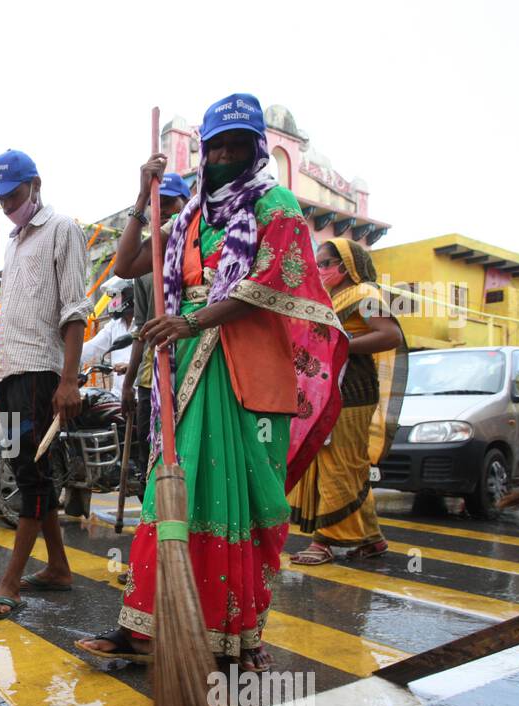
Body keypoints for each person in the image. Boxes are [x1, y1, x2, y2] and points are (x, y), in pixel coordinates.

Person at [75, 94, 347, 671]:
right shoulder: (192, 215)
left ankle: (240, 636)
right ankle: (143, 627)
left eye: (235, 145)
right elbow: (126, 265)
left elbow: (267, 284)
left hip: (245, 369)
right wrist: (137, 199)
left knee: (245, 503)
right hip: (187, 364)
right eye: (215, 145)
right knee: (171, 493)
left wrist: (191, 320)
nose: (223, 155)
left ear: (254, 149)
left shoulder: (277, 206)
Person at [0, 149, 90, 621]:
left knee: (31, 476)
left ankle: (10, 583)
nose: (5, 205)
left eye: (12, 194)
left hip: (43, 373)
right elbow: (9, 318)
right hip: (14, 375)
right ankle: (58, 567)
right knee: (29, 470)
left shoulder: (63, 229)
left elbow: (75, 311)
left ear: (35, 184)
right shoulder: (14, 242)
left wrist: (68, 380)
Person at [288, 238, 406, 564]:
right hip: (327, 392)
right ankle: (371, 540)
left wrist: (340, 346)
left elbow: (391, 334)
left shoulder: (364, 294)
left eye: (326, 263)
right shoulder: (330, 298)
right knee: (344, 464)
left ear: (347, 266)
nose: (320, 269)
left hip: (352, 391)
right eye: (318, 264)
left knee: (338, 464)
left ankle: (325, 541)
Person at [122, 173, 190, 477]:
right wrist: (128, 382)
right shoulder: (145, 264)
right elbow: (140, 330)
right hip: (151, 376)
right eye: (156, 205)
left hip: (190, 368)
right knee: (149, 459)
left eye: (169, 204)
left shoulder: (197, 250)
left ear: (186, 203)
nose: (162, 211)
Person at [80, 291, 134, 393]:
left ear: (128, 298)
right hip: (118, 395)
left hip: (140, 395)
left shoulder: (143, 322)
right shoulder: (114, 325)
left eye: (116, 296)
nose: (113, 302)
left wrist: (131, 366)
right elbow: (93, 346)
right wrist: (67, 358)